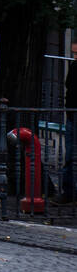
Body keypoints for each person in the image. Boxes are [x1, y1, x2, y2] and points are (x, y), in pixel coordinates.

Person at [58, 38, 77, 204]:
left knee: (71, 154)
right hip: (72, 115)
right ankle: (69, 191)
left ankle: (69, 191)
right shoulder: (74, 67)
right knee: (70, 154)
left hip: (72, 114)